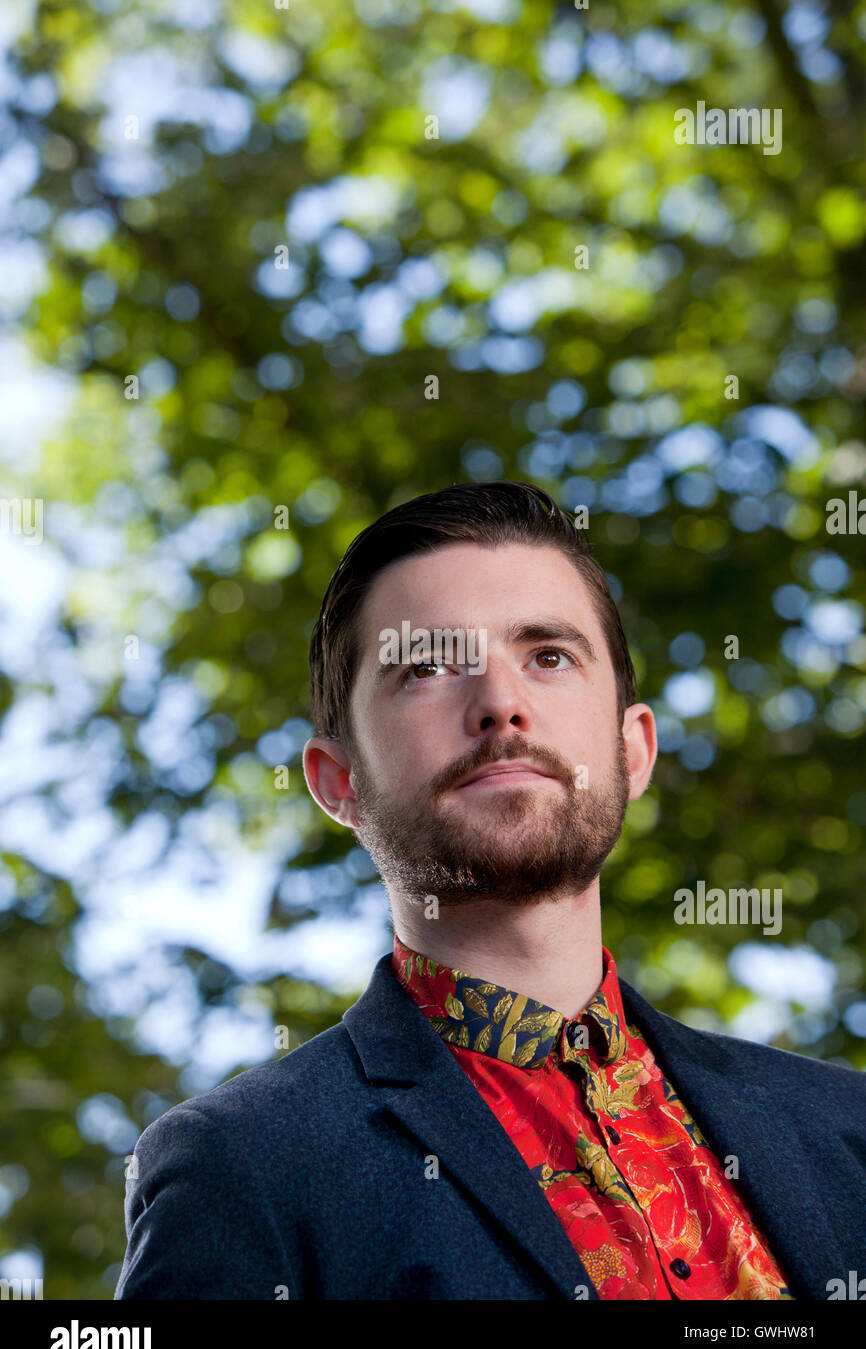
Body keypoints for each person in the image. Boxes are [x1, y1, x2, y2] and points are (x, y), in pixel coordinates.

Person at [115, 480, 866, 1301]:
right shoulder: (244, 1167)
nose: (501, 704)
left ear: (633, 751)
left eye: (548, 656)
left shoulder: (845, 1130)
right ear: (341, 783)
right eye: (427, 666)